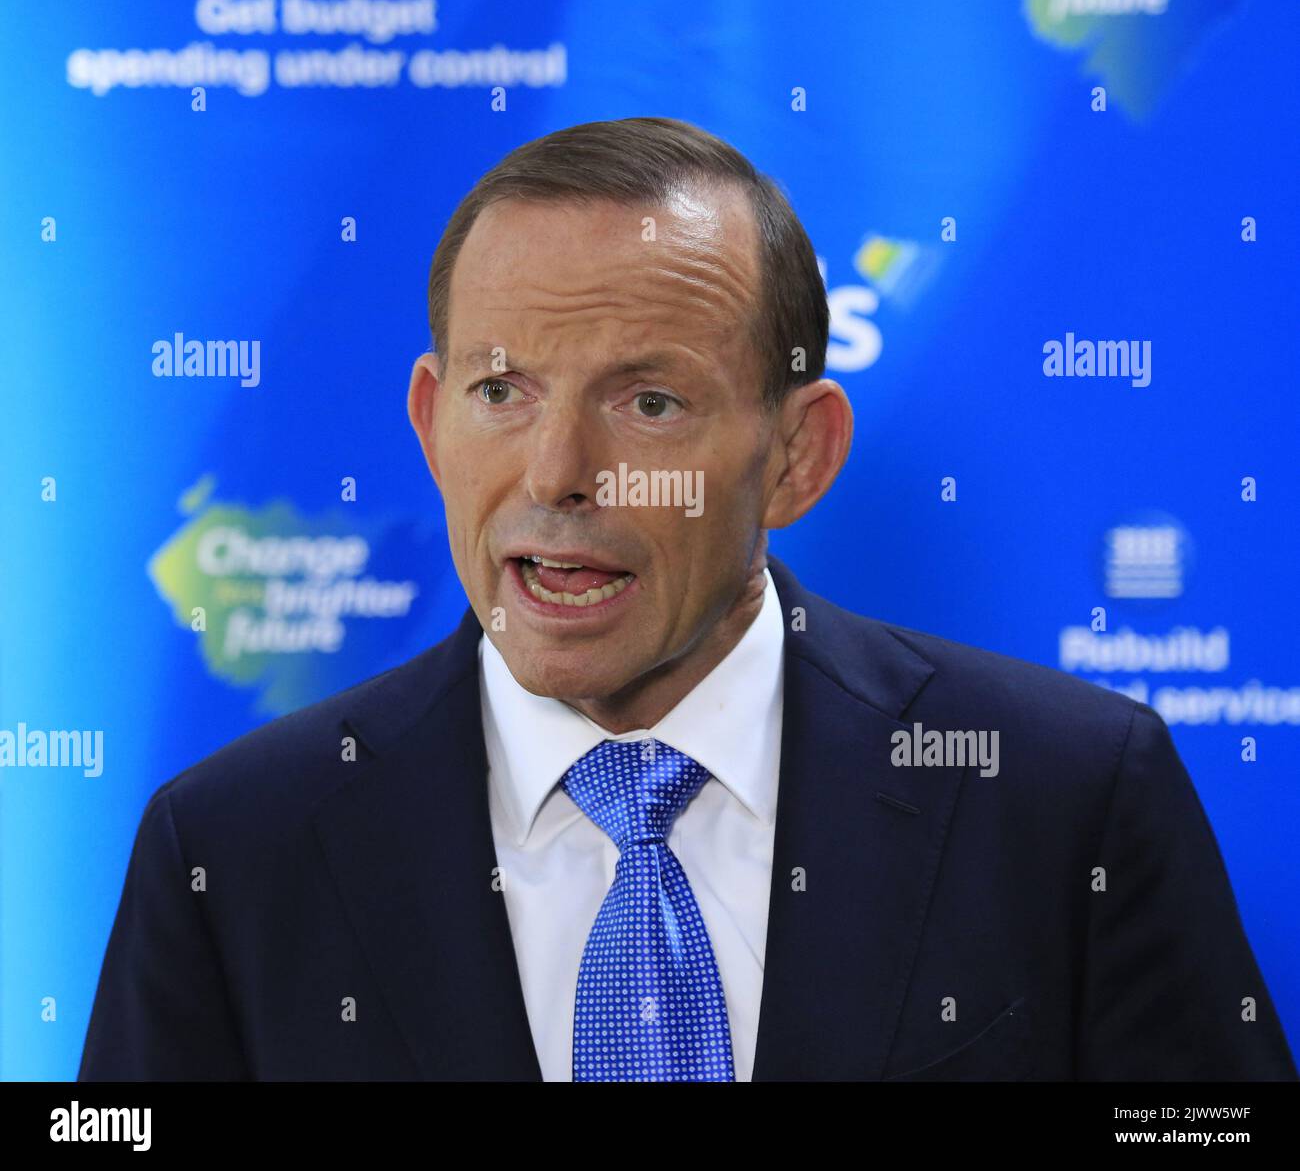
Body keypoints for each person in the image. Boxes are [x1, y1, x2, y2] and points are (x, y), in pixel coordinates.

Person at [79, 117, 1297, 1081]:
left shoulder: (1063, 794)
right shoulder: (232, 849)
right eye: (501, 393)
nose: (556, 473)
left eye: (647, 402)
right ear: (429, 423)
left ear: (797, 455)